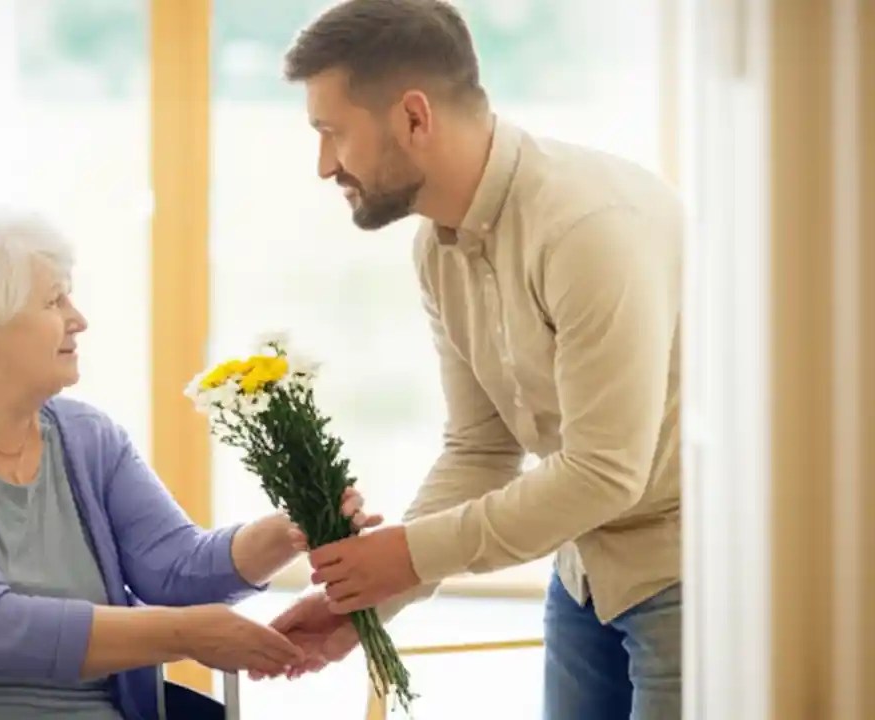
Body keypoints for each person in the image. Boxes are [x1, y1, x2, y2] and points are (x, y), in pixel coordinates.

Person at [264, 2, 684, 719]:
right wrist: (367, 605)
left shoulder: (586, 227)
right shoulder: (438, 248)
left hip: (687, 578)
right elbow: (481, 447)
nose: (324, 165)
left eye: (333, 133)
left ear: (415, 118)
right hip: (584, 574)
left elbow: (606, 470)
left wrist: (407, 554)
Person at [0, 207, 378, 720]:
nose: (79, 319)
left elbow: (176, 566)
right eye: (54, 302)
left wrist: (286, 532)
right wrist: (182, 633)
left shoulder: (89, 439)